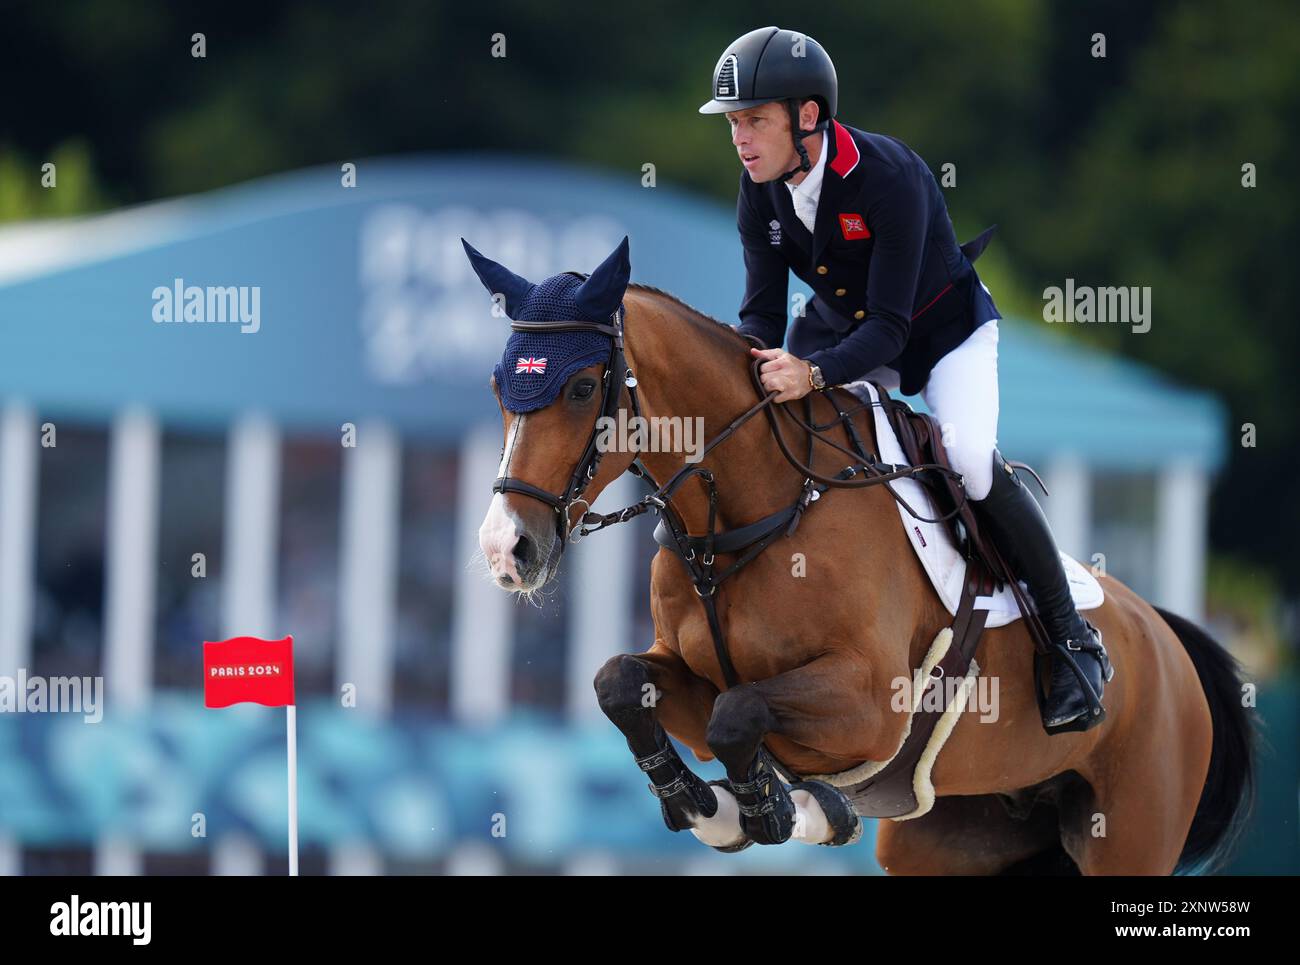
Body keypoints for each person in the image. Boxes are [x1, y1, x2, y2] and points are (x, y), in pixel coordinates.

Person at [698, 25, 1112, 733]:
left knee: (971, 460)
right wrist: (742, 379)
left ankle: (1072, 636)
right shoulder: (758, 191)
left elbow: (890, 330)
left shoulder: (888, 177)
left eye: (754, 120)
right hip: (835, 335)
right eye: (734, 122)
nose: (741, 137)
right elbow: (761, 316)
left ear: (808, 116)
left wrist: (814, 371)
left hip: (940, 336)